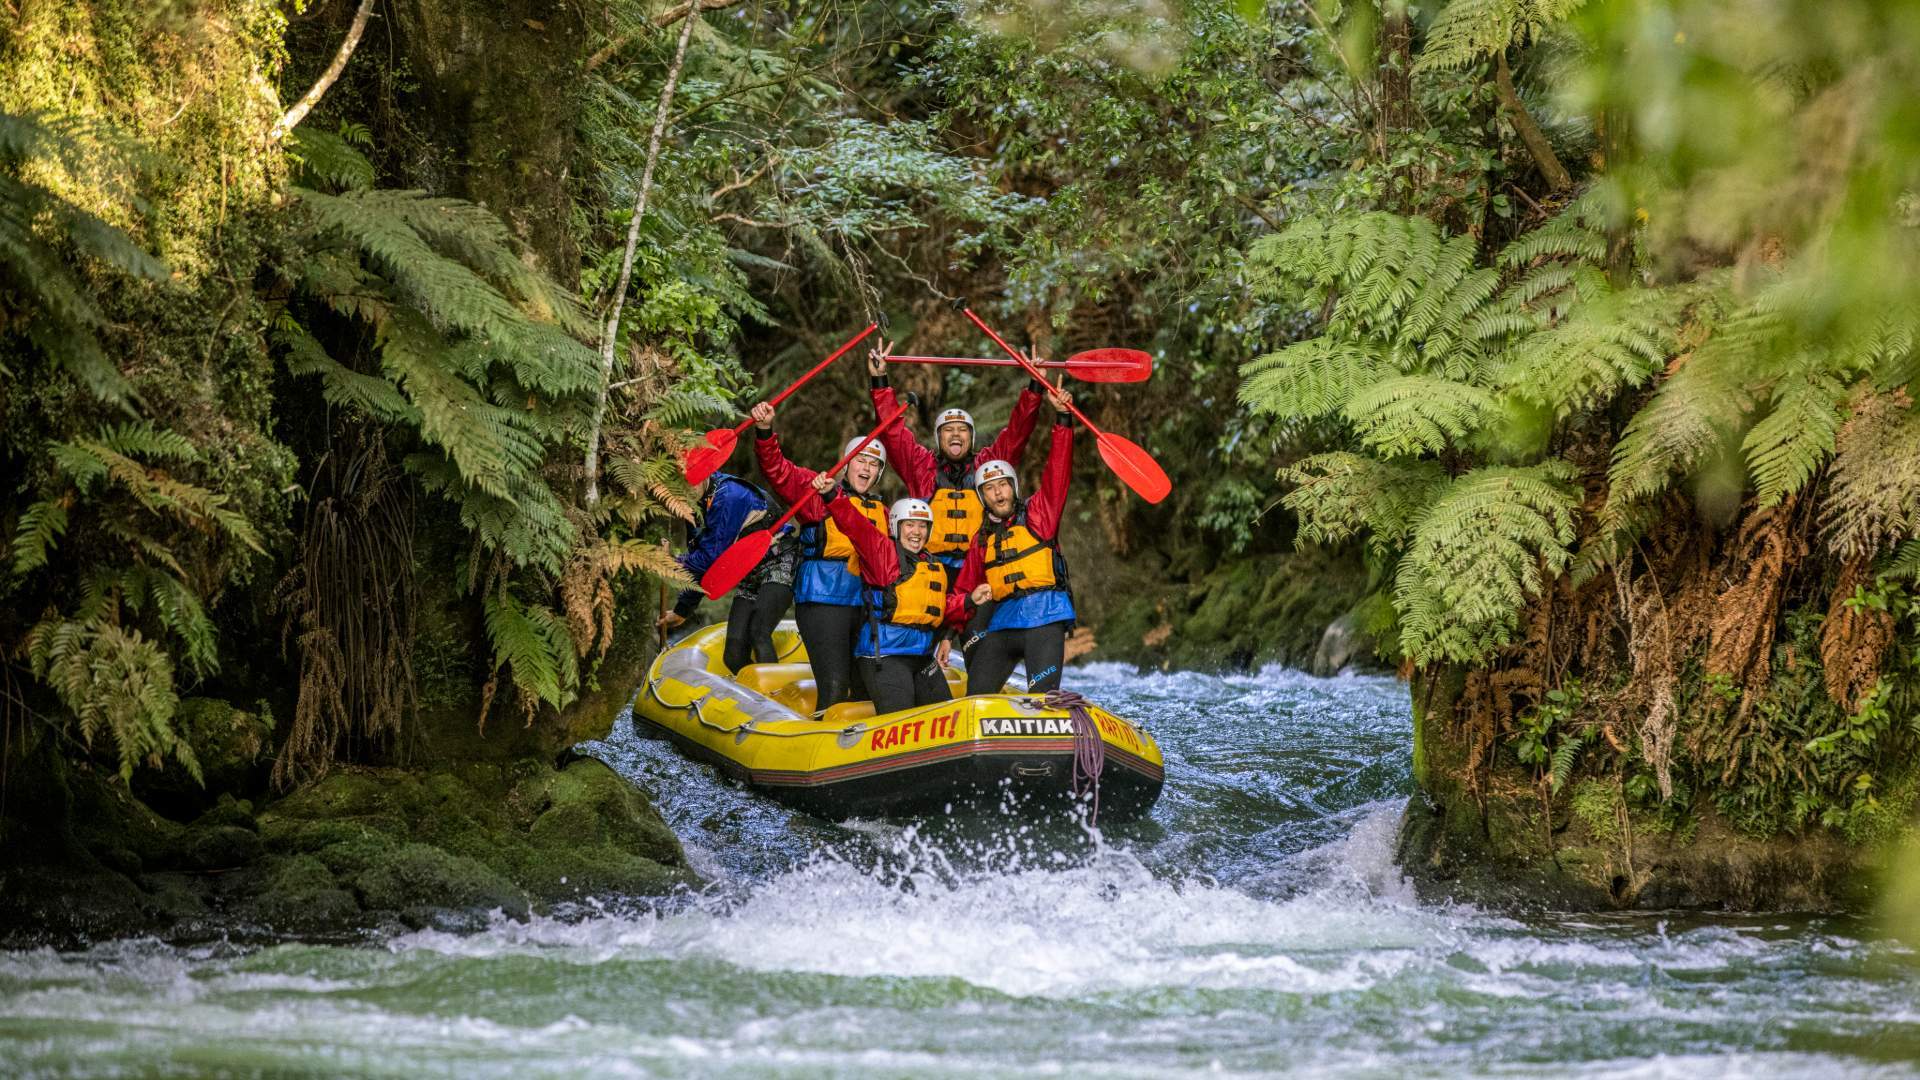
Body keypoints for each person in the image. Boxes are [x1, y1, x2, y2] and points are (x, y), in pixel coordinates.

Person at [866, 341, 1047, 651]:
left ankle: (980, 678)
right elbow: (893, 434)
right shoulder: (921, 466)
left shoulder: (987, 465)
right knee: (927, 639)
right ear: (938, 438)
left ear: (971, 437)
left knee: (977, 644)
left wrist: (1034, 387)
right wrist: (880, 382)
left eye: (962, 429)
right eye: (947, 430)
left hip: (976, 570)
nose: (955, 434)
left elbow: (1017, 433)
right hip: (929, 568)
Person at [752, 401, 889, 713]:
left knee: (865, 689)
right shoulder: (818, 492)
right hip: (823, 601)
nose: (866, 468)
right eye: (860, 460)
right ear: (846, 465)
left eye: (874, 464)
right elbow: (778, 470)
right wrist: (764, 431)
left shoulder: (881, 511)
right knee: (835, 686)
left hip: (865, 606)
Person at [949, 378, 1077, 696]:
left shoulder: (1039, 515)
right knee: (975, 695)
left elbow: (1057, 470)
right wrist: (945, 634)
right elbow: (963, 592)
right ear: (982, 497)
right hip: (1004, 623)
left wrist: (1063, 420)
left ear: (1013, 487)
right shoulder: (981, 539)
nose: (998, 493)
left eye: (1003, 485)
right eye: (990, 489)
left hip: (1045, 616)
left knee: (1044, 698)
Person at [813, 474, 955, 715]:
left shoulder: (932, 564)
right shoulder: (882, 553)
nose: (916, 532)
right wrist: (831, 495)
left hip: (922, 657)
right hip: (886, 656)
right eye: (910, 525)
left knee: (947, 716)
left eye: (922, 526)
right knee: (901, 718)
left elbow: (942, 606)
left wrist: (951, 631)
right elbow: (855, 525)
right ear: (896, 527)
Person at [657, 472, 796, 674]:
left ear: (705, 474)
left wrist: (671, 563)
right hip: (749, 570)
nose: (687, 490)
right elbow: (700, 562)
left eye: (692, 482)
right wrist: (683, 610)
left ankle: (772, 695)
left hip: (780, 559)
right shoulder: (692, 506)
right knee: (733, 654)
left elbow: (709, 559)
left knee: (758, 632)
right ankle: (754, 695)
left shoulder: (729, 495)